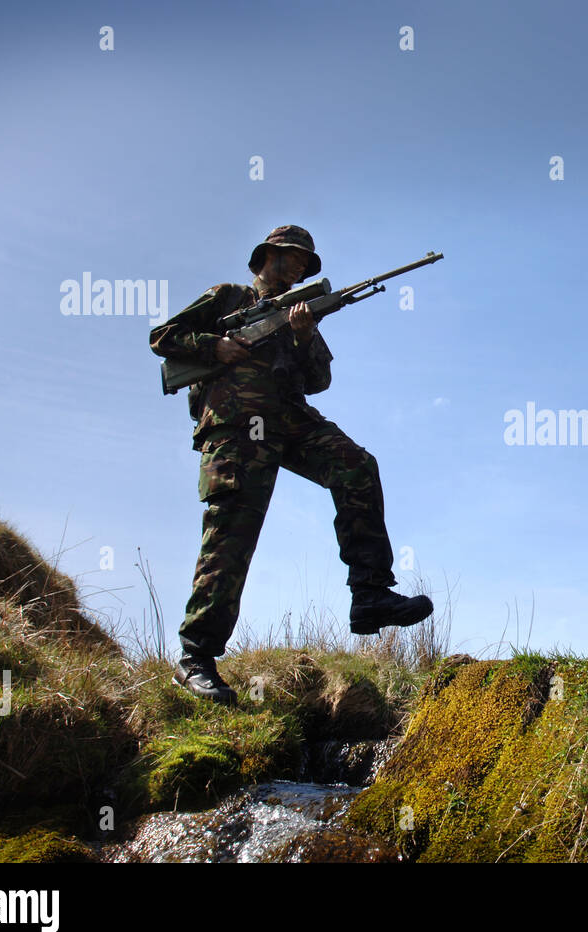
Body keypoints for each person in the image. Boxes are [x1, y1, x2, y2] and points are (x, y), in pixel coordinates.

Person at [150, 225, 432, 703]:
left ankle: (370, 595)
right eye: (294, 257)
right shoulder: (229, 296)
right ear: (266, 257)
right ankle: (195, 658)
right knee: (232, 533)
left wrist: (302, 335)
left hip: (291, 417)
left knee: (357, 466)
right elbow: (163, 337)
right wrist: (214, 346)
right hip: (238, 424)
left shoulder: (302, 315)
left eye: (307, 261)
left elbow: (319, 379)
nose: (301, 266)